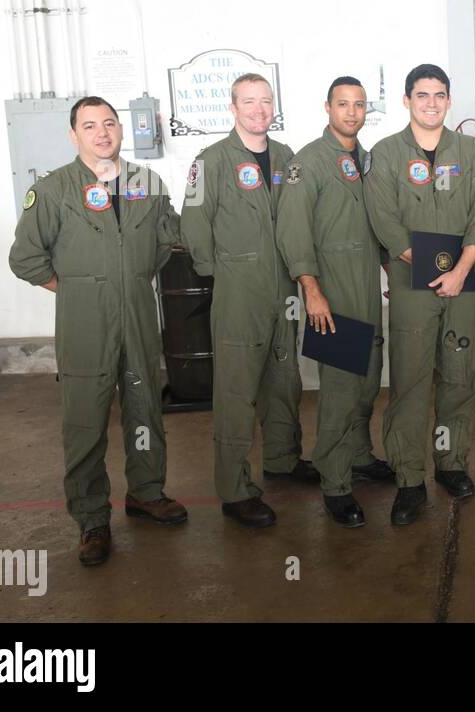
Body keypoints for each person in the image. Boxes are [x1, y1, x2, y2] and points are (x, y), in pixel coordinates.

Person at [9, 96, 188, 566]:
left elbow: (168, 240)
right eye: (90, 126)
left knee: (145, 406)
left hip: (138, 314)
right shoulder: (53, 190)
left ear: (122, 130)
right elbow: (24, 258)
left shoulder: (146, 183)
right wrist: (73, 291)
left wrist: (129, 280)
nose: (102, 133)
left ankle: (147, 492)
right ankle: (91, 518)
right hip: (84, 321)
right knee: (86, 420)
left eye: (109, 123)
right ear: (74, 136)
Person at [181, 72, 318, 529]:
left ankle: (282, 458)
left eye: (265, 101)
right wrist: (224, 274)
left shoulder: (286, 158)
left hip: (285, 288)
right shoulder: (211, 160)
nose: (259, 109)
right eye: (249, 101)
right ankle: (235, 489)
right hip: (239, 291)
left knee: (284, 379)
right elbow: (194, 225)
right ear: (233, 107)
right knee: (237, 391)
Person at [365, 64, 475, 524]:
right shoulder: (385, 154)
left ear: (448, 99)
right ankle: (409, 478)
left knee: (461, 377)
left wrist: (461, 269)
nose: (432, 102)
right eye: (423, 95)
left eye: (440, 94)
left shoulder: (473, 152)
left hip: (464, 280)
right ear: (407, 100)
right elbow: (383, 219)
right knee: (411, 381)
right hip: (410, 284)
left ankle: (451, 462)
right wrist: (428, 266)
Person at [276, 76, 394, 528]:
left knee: (367, 382)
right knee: (342, 390)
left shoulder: (368, 160)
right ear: (327, 107)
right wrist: (312, 289)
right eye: (343, 104)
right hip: (333, 288)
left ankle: (359, 455)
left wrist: (388, 271)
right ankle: (335, 482)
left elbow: (379, 221)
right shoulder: (308, 163)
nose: (351, 112)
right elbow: (293, 231)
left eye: (359, 105)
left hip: (366, 284)